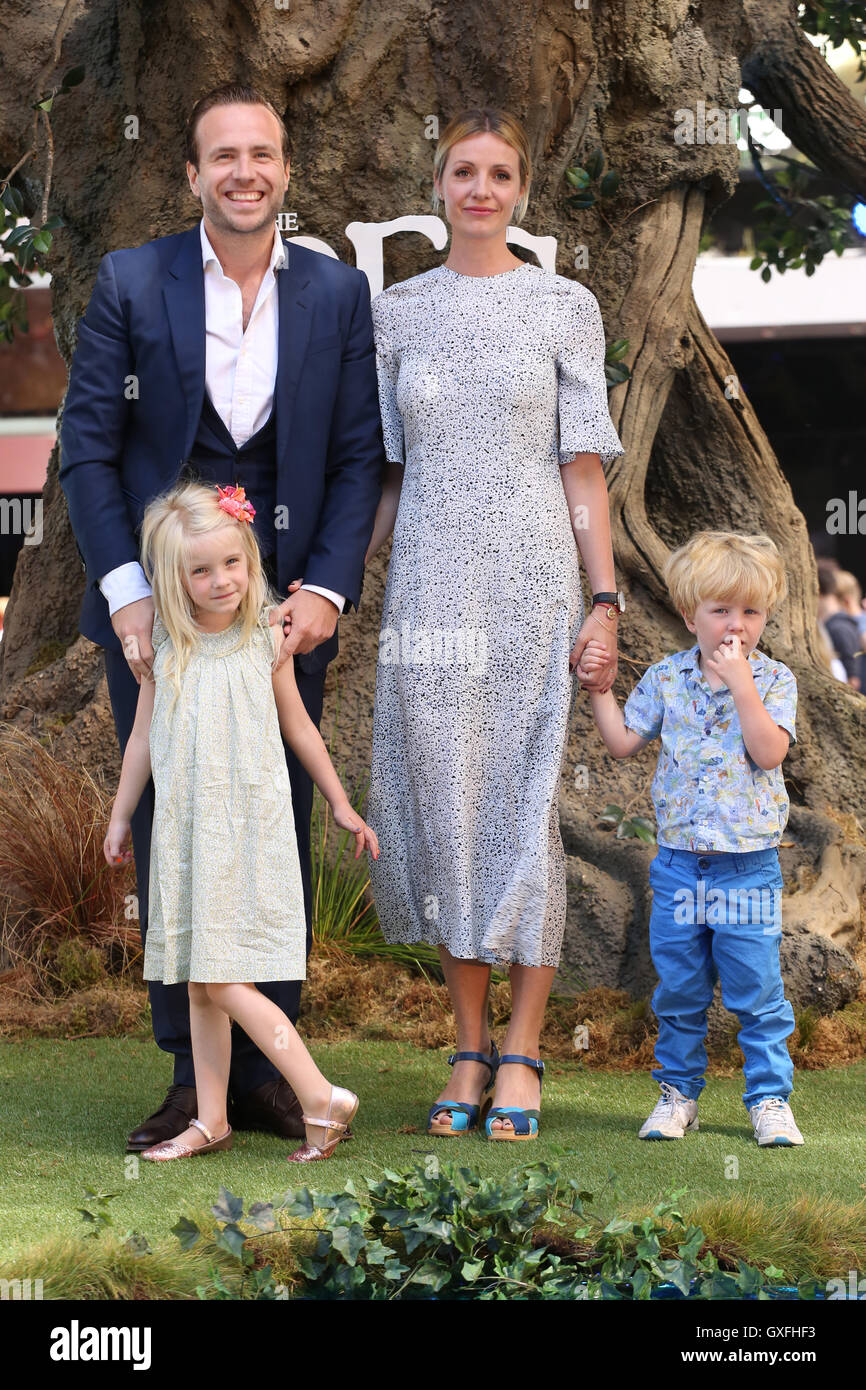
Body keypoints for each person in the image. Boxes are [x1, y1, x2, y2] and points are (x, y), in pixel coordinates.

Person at [59, 84, 383, 1151]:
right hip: (160, 610)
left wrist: (325, 589)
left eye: (263, 154)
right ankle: (188, 1078)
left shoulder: (337, 292)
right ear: (191, 173)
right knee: (171, 824)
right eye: (224, 156)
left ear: (286, 170)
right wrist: (127, 593)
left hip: (279, 615)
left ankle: (270, 1077)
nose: (245, 172)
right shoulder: (130, 280)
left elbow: (355, 457)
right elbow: (88, 449)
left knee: (276, 825)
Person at [364, 108, 624, 1141]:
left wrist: (603, 600)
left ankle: (522, 1048)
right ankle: (466, 1047)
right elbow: (388, 476)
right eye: (463, 172)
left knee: (521, 808)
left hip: (532, 582)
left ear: (522, 189)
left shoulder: (565, 305)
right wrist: (325, 584)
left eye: (499, 173)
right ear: (436, 186)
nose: (480, 189)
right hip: (428, 590)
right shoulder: (397, 314)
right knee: (442, 809)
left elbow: (582, 470)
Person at [103, 481, 378, 1163]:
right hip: (189, 834)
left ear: (250, 558)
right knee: (201, 982)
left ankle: (319, 1095)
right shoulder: (165, 645)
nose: (221, 579)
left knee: (226, 979)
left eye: (232, 562)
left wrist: (340, 802)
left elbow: (300, 728)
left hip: (248, 829)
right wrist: (120, 815)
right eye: (201, 570)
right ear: (176, 580)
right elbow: (142, 740)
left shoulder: (265, 639)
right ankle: (212, 1119)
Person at [584, 531, 804, 1147]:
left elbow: (769, 752)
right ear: (690, 615)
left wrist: (741, 683)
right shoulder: (666, 678)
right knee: (680, 989)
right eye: (721, 609)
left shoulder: (774, 680)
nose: (737, 625)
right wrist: (600, 691)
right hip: (681, 866)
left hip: (747, 868)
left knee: (756, 991)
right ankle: (678, 1095)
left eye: (751, 611)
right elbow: (622, 741)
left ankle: (769, 1099)